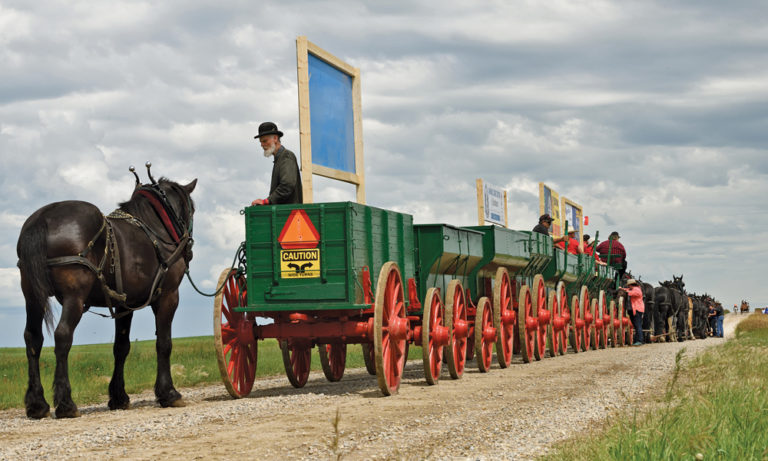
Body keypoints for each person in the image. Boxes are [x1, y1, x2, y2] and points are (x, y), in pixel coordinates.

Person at [251, 122, 303, 206]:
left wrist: (267, 201)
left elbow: (287, 185)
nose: (262, 145)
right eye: (260, 142)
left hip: (290, 215)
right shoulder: (279, 158)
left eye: (264, 141)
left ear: (275, 138)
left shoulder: (286, 156)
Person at [619, 279, 645, 346]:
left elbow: (635, 293)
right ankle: (637, 340)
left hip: (637, 309)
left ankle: (640, 340)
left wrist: (626, 292)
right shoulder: (632, 289)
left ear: (631, 285)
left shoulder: (637, 289)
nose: (628, 286)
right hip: (634, 310)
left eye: (629, 285)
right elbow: (628, 290)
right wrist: (623, 289)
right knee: (636, 326)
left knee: (638, 325)